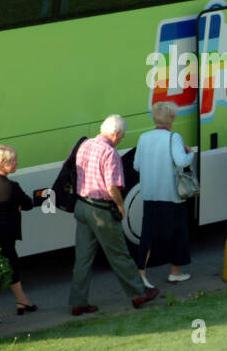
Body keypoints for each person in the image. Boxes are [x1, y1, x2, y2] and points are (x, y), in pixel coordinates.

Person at [69, 115, 157, 316]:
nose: (121, 140)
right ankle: (138, 293)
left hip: (82, 206)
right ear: (116, 133)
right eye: (122, 136)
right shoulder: (110, 153)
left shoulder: (85, 145)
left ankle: (78, 302)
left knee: (82, 258)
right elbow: (111, 187)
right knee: (119, 254)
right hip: (100, 210)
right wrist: (120, 204)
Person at [131, 101, 195, 287]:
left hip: (150, 193)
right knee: (178, 232)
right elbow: (181, 161)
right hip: (171, 195)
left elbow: (136, 166)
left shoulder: (144, 137)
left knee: (148, 234)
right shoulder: (174, 137)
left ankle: (141, 272)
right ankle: (175, 271)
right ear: (171, 119)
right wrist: (190, 153)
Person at [0, 145, 38, 319]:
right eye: (13, 161)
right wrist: (17, 206)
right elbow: (28, 204)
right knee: (2, 270)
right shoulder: (11, 187)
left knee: (11, 265)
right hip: (5, 232)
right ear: (2, 163)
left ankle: (22, 300)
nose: (17, 163)